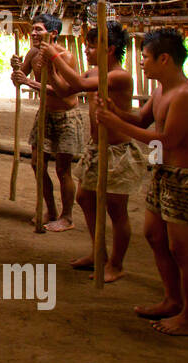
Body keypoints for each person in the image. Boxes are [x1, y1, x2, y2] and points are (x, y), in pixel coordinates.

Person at [98, 28, 188, 337]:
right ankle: (172, 298)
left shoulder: (187, 95)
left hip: (187, 179)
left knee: (183, 250)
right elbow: (140, 119)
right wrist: (115, 111)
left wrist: (115, 123)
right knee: (154, 236)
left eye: (146, 57)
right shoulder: (160, 91)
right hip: (163, 176)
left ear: (164, 59)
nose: (141, 63)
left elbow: (165, 141)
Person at [43, 21, 147, 282]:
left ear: (109, 49)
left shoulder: (119, 76)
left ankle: (117, 263)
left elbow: (77, 81)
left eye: (91, 46)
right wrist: (49, 69)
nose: (86, 50)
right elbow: (68, 88)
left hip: (117, 150)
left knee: (115, 208)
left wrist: (54, 55)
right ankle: (97, 252)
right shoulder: (95, 72)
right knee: (85, 198)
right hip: (96, 148)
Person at [11, 14, 84, 233]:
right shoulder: (33, 53)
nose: (33, 33)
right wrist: (15, 69)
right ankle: (50, 209)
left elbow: (64, 91)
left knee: (63, 169)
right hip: (45, 114)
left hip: (66, 116)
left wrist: (29, 82)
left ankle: (67, 217)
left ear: (52, 34)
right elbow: (18, 79)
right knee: (37, 163)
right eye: (32, 29)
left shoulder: (65, 57)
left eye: (38, 30)